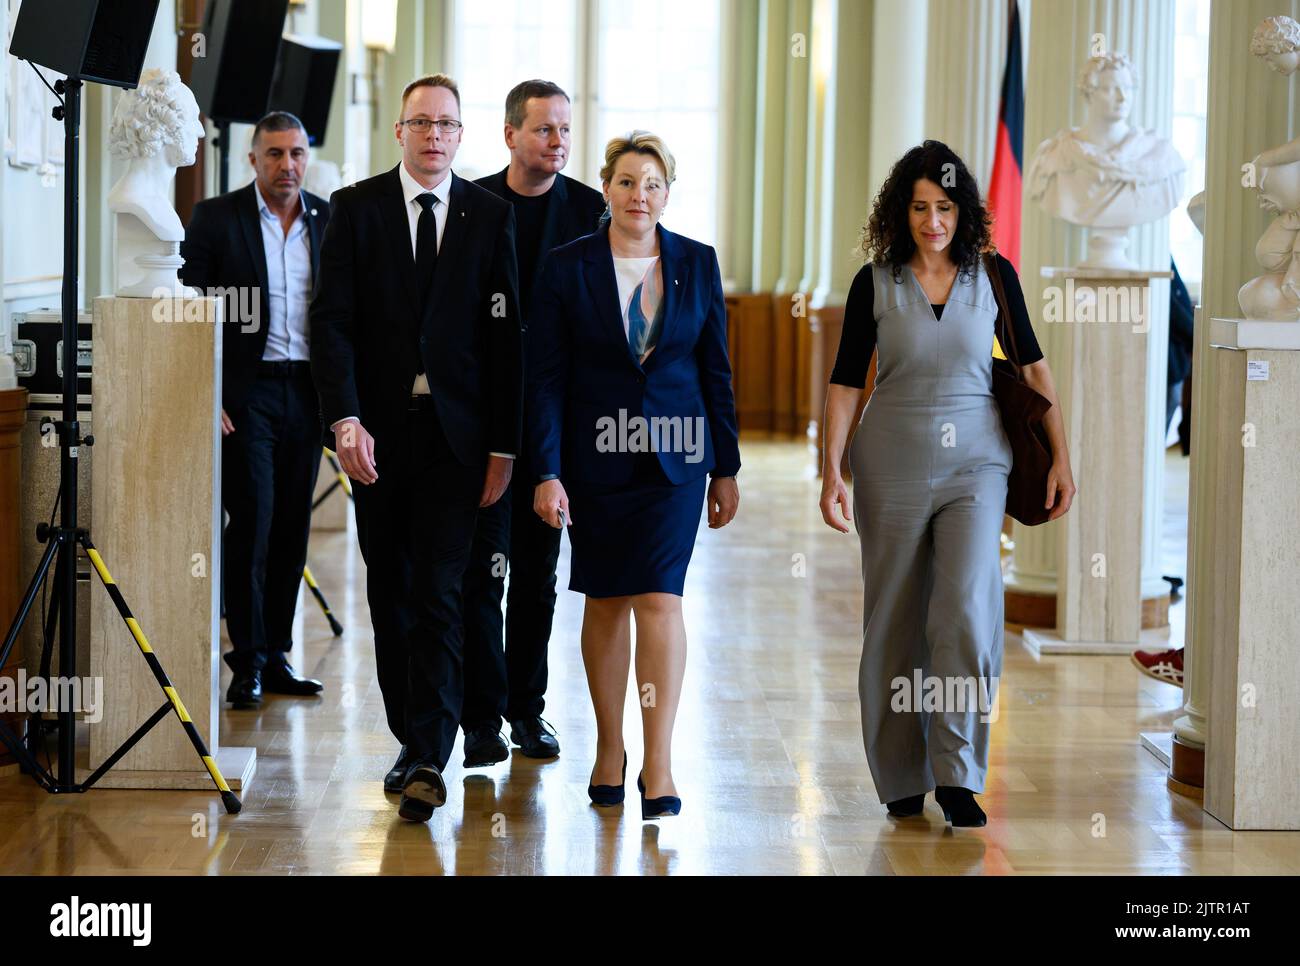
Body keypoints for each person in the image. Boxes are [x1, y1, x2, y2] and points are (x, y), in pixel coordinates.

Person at [819, 140, 1076, 828]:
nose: (933, 221)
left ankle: (958, 771)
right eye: (919, 208)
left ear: (964, 212)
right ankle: (901, 772)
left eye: (945, 207)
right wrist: (831, 471)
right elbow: (845, 382)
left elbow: (1035, 370)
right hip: (890, 462)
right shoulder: (875, 282)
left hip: (978, 464)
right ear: (899, 213)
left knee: (965, 606)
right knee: (895, 617)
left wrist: (1061, 457)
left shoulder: (994, 276)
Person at [310, 74, 521, 823]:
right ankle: (411, 738)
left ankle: (430, 752)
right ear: (399, 131)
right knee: (391, 591)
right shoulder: (355, 209)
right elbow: (331, 323)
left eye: (447, 124)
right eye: (421, 122)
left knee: (439, 591)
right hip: (378, 438)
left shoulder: (489, 216)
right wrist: (345, 419)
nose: (434, 135)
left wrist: (505, 446)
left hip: (458, 441)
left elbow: (506, 339)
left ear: (461, 136)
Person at [529, 131, 741, 820]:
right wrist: (546, 471)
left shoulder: (697, 263)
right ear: (606, 189)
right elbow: (547, 380)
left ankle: (661, 760)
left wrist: (726, 467)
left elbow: (715, 371)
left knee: (660, 599)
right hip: (594, 463)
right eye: (626, 182)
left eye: (651, 183)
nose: (638, 195)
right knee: (606, 600)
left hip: (676, 462)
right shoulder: (568, 266)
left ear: (667, 193)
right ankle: (609, 747)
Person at [459, 80, 605, 767]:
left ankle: (527, 710)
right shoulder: (473, 204)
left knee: (537, 577)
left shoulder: (590, 210)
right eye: (545, 129)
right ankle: (480, 720)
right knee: (481, 576)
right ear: (511, 134)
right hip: (483, 422)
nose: (558, 141)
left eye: (565, 130)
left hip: (555, 428)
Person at [181, 111, 330, 709]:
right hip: (246, 396)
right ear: (253, 159)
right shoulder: (217, 218)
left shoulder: (328, 219)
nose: (287, 165)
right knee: (253, 521)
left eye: (296, 153)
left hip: (309, 394)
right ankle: (245, 663)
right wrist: (205, 390)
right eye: (274, 154)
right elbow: (188, 308)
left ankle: (276, 655)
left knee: (293, 525)